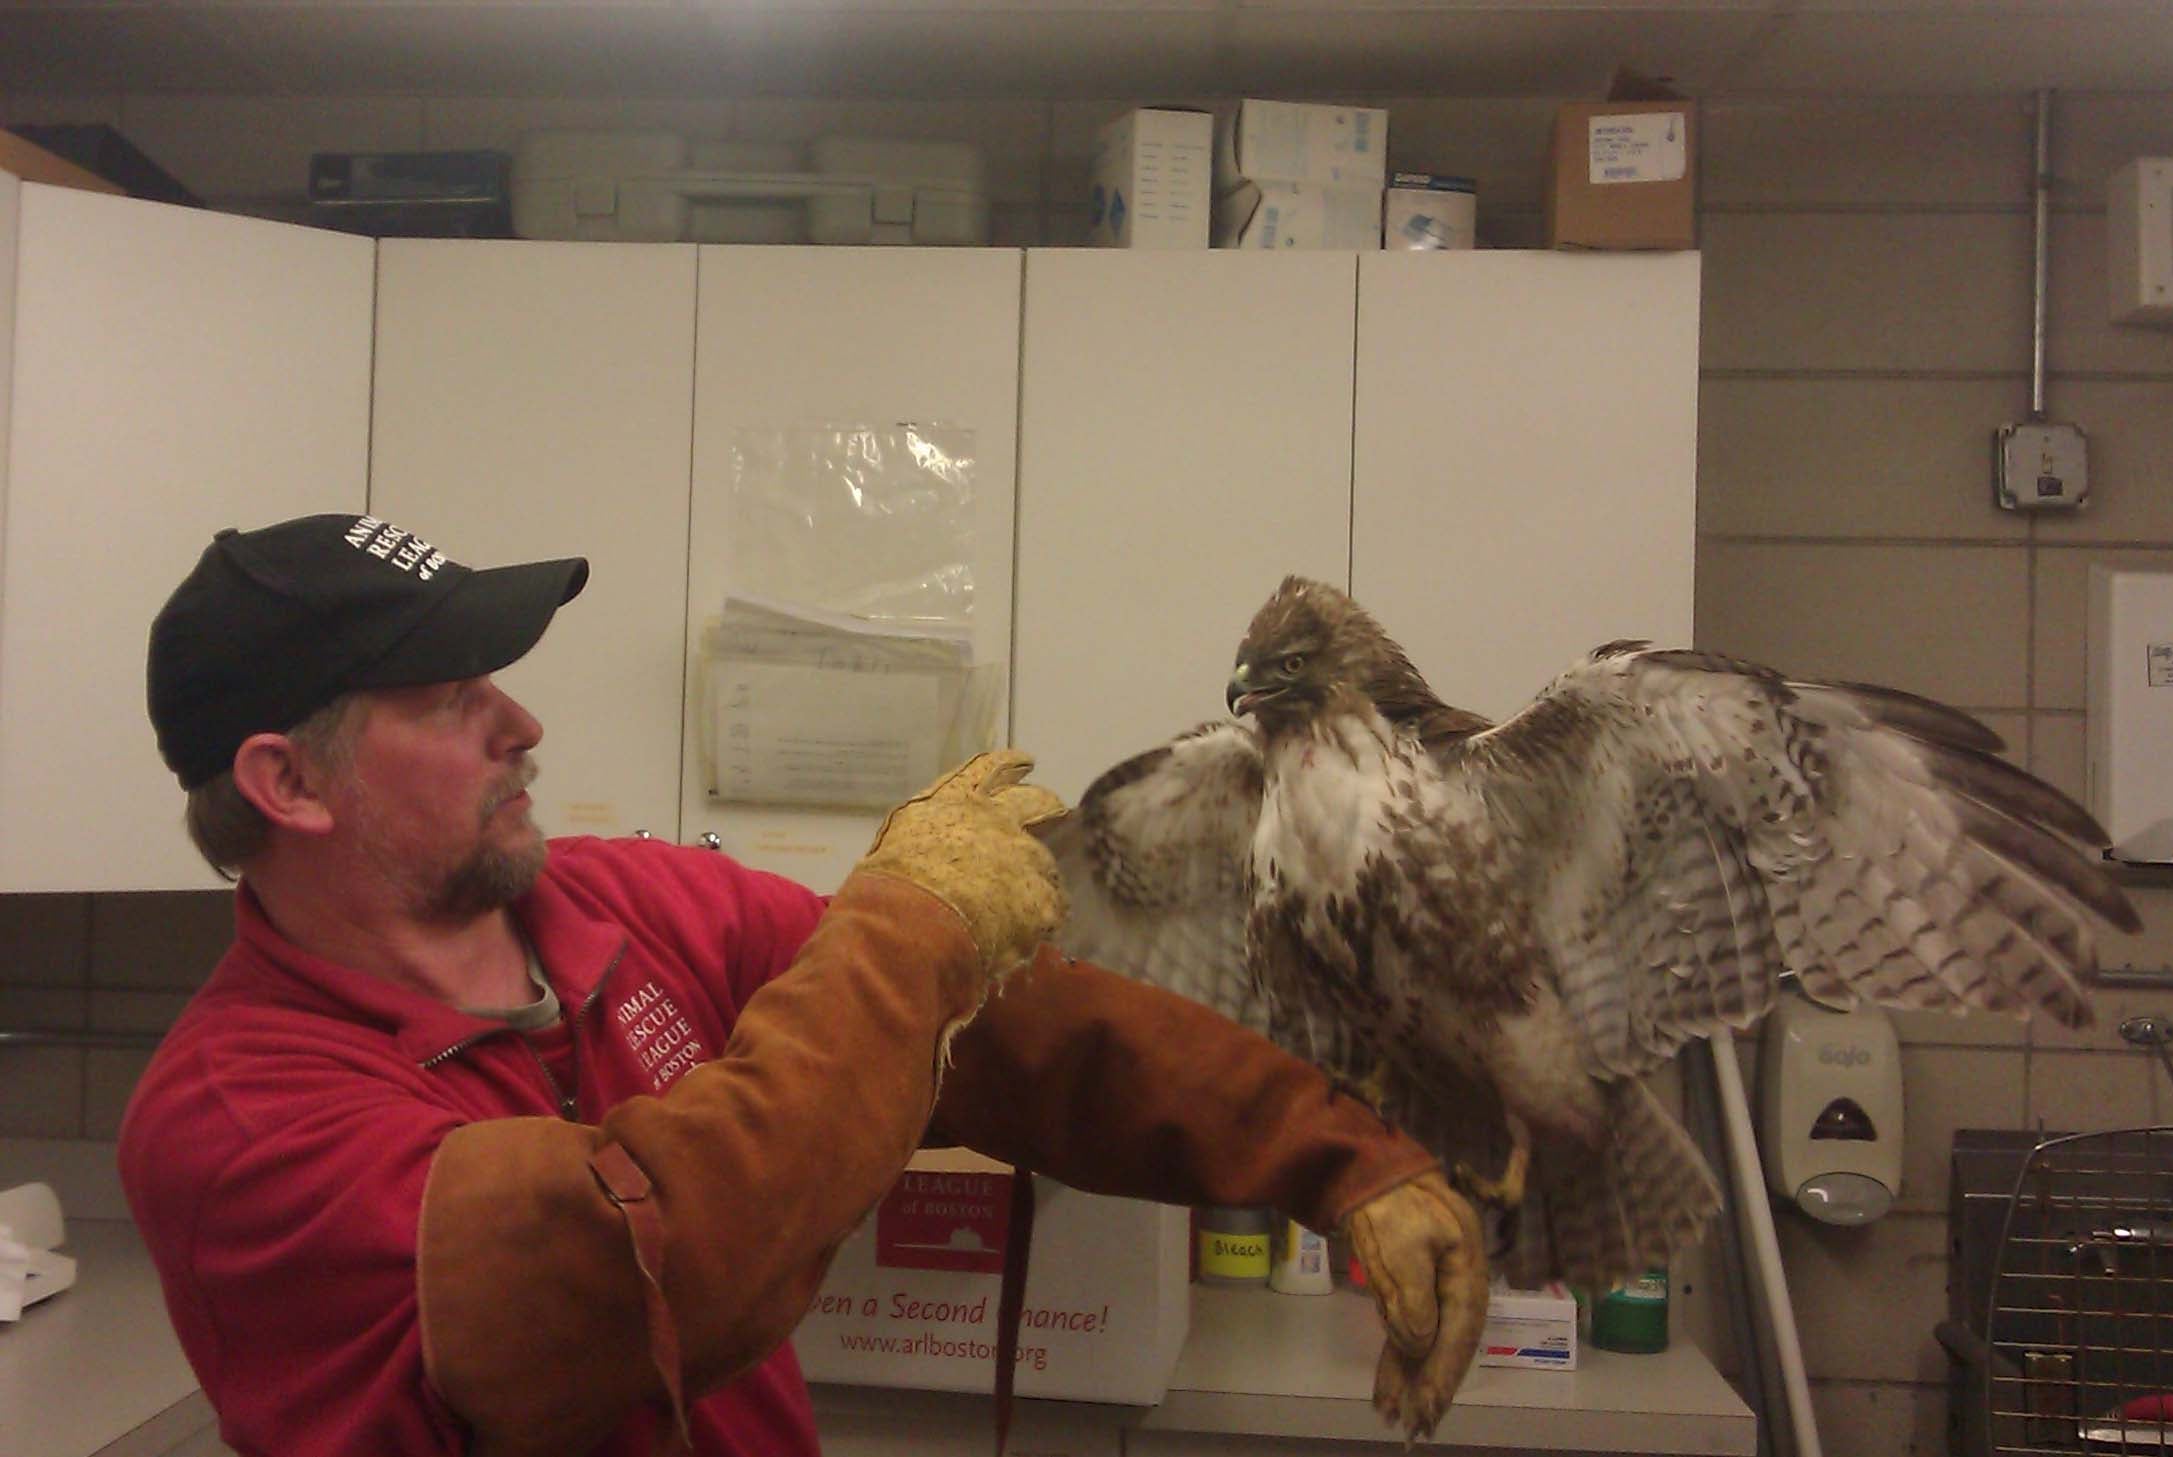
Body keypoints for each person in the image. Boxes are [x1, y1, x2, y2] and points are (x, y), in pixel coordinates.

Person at [120, 512, 1489, 1457]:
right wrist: (908, 922)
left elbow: (992, 1023)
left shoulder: (619, 906)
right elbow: (663, 1266)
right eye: (445, 697)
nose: (522, 724)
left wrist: (1342, 1156)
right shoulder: (236, 1121)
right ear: (288, 783)